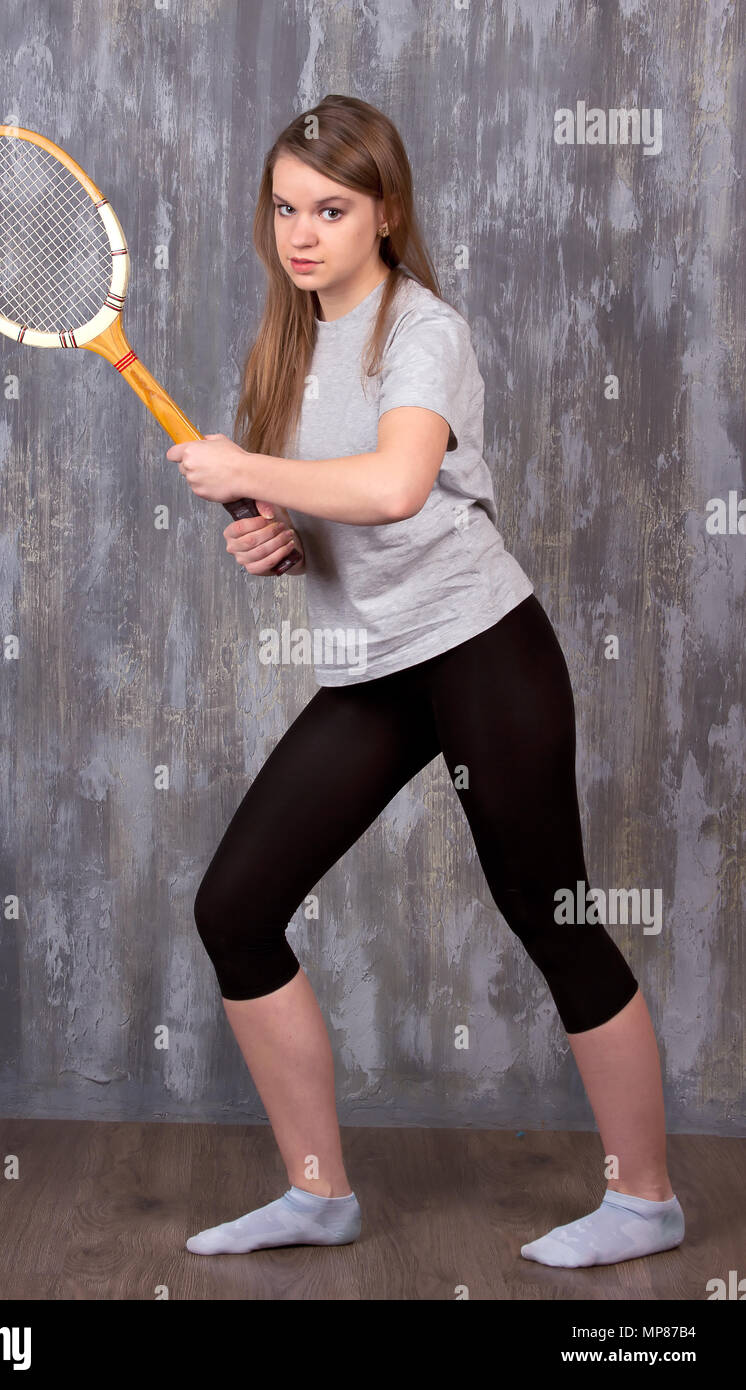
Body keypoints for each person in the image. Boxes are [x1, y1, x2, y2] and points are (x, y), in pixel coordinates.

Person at [167, 94, 684, 1269]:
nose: (301, 234)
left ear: (385, 212)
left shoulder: (422, 329)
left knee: (551, 913)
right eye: (284, 210)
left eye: (330, 209)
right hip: (377, 668)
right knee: (234, 909)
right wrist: (272, 542)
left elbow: (397, 484)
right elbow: (324, 518)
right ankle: (316, 1195)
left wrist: (250, 467)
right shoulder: (285, 348)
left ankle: (645, 1200)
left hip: (478, 648)